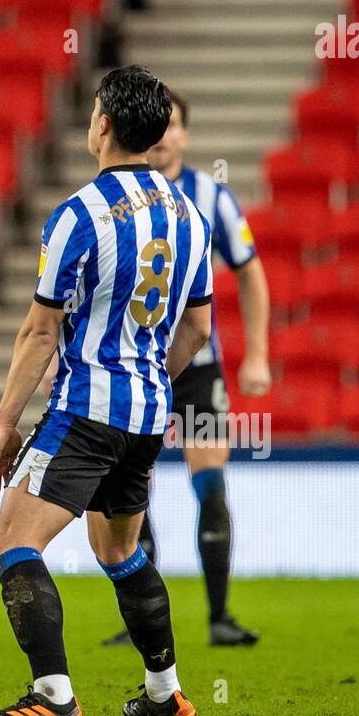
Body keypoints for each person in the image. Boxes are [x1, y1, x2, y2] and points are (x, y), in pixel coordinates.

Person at [0, 67, 213, 716]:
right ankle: (164, 692)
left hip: (86, 410)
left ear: (102, 123)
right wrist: (147, 371)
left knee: (12, 543)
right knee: (119, 551)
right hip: (146, 413)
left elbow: (41, 328)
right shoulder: (189, 216)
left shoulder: (79, 215)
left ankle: (53, 695)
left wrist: (4, 420)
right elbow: (198, 326)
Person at [102, 91, 269, 648]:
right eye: (160, 125)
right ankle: (140, 618)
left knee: (210, 481)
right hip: (137, 363)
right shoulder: (121, 199)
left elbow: (250, 270)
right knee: (132, 486)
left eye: (175, 127)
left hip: (197, 367)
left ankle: (219, 616)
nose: (165, 136)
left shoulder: (210, 197)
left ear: (186, 136)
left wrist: (259, 354)